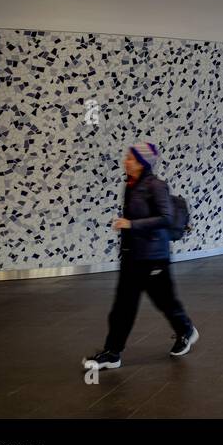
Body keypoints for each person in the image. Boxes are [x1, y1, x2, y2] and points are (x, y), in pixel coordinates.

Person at [84, 142, 198, 370]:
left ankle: (185, 329)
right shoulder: (131, 185)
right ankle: (113, 353)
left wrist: (131, 224)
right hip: (132, 256)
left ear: (143, 163)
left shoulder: (156, 186)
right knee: (123, 307)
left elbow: (165, 218)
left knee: (165, 302)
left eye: (132, 158)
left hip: (154, 257)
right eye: (127, 157)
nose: (126, 161)